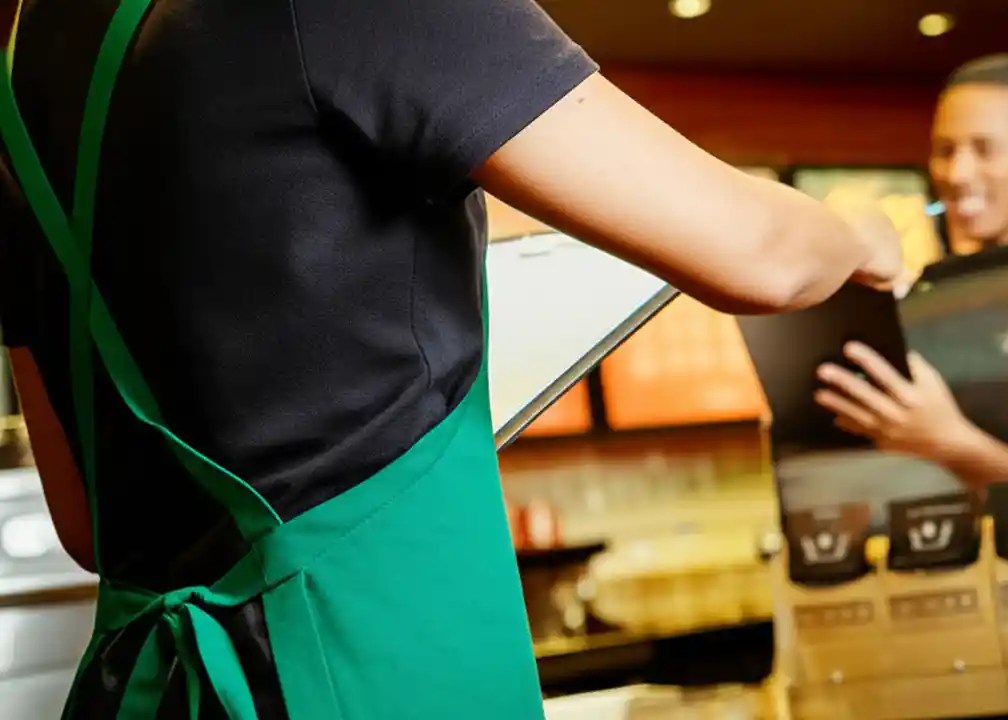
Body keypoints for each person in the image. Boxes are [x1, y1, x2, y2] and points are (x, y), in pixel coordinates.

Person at [0, 1, 904, 718]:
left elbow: (86, 521)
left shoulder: (31, 51)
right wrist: (860, 231)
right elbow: (762, 253)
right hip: (379, 672)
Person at [815, 54, 1008, 491]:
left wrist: (953, 444)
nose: (958, 173)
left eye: (984, 149)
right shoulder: (932, 296)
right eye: (945, 151)